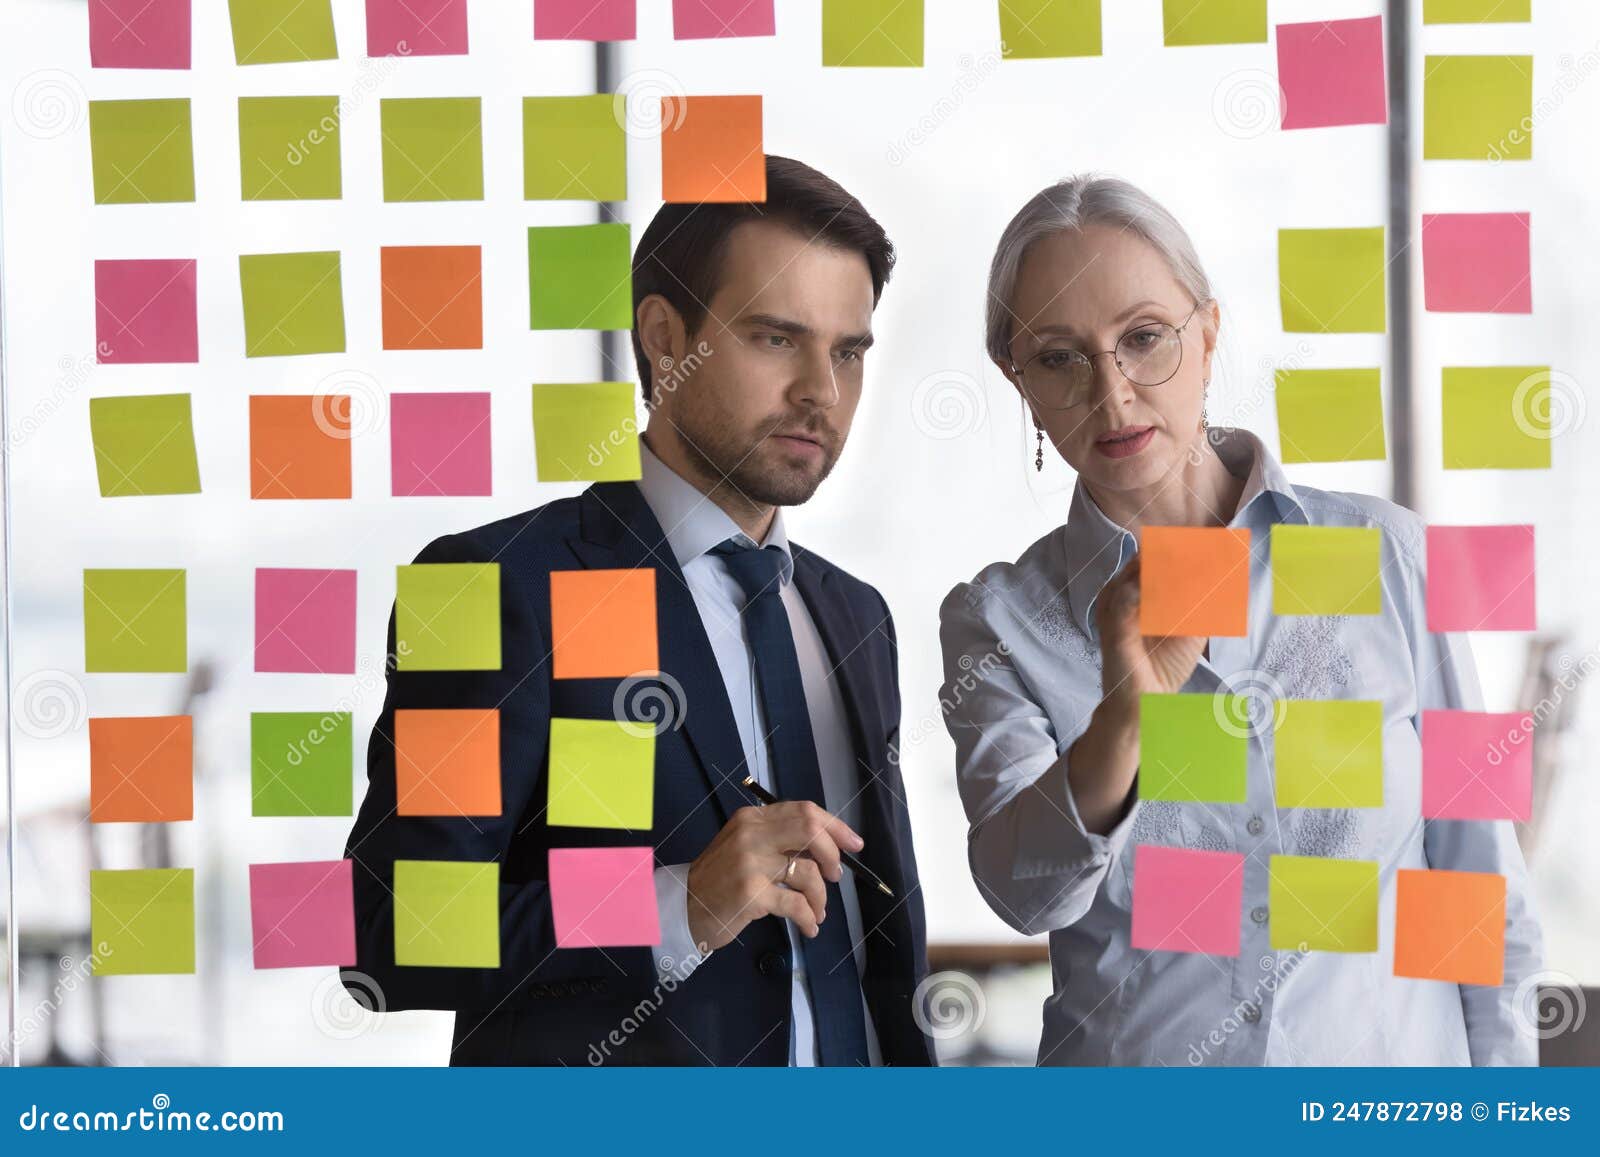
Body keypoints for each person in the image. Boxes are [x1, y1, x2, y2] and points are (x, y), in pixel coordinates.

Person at [938, 174, 1543, 1066]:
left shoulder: (1387, 555)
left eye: (1144, 338)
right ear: (1016, 378)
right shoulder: (1002, 618)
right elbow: (1027, 893)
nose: (1113, 392)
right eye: (1059, 356)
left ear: (1209, 334)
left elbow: (1481, 889)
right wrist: (1126, 720)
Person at [343, 156, 934, 1067]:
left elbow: (878, 962)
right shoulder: (495, 584)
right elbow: (383, 929)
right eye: (777, 338)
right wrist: (676, 901)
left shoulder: (856, 617)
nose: (823, 389)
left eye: (848, 350)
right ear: (664, 337)